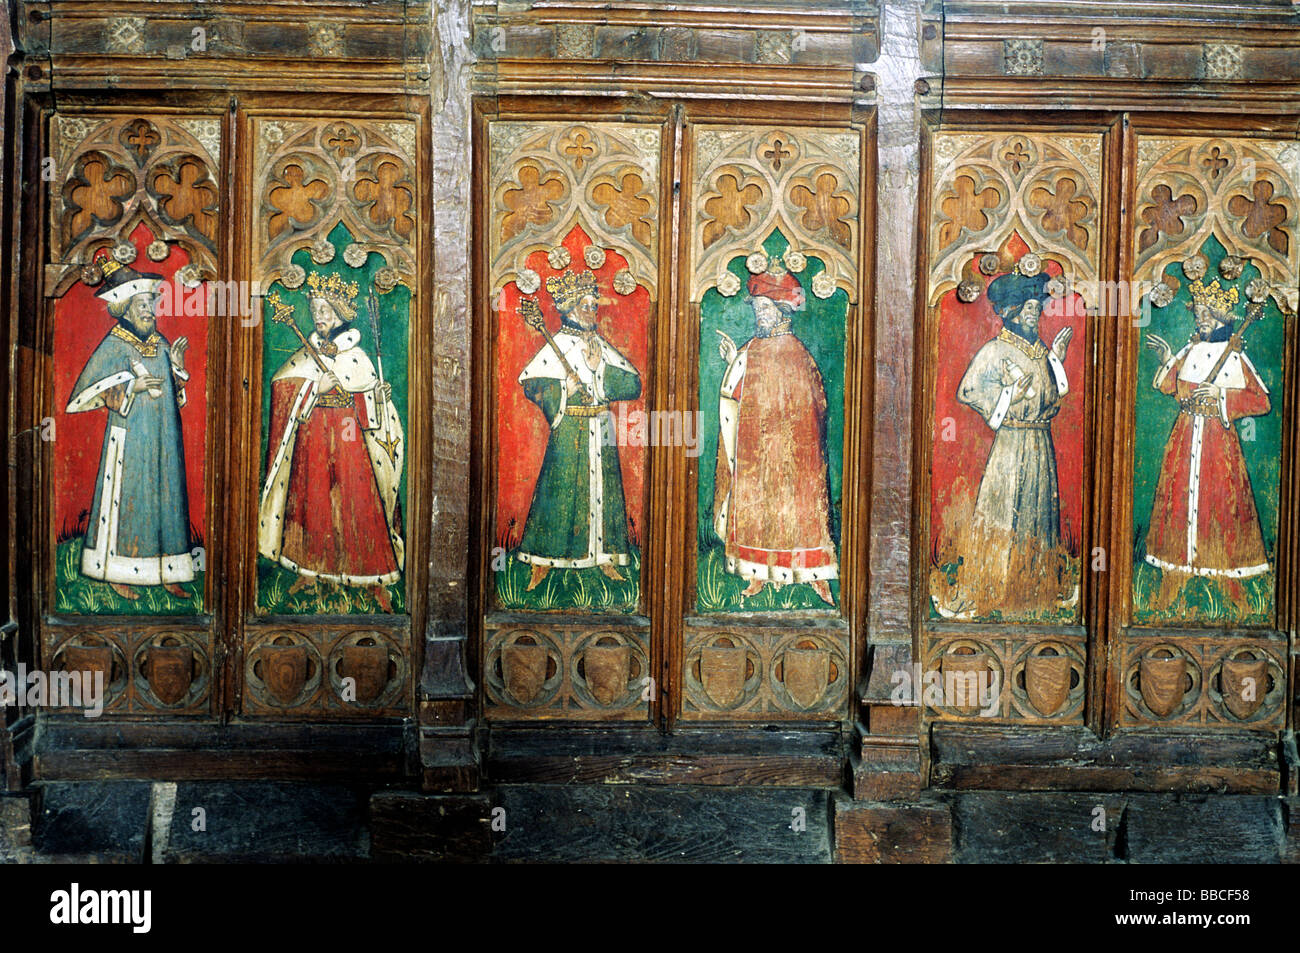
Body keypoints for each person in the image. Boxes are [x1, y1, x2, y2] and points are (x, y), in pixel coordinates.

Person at [257, 271, 404, 611]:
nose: (319, 317)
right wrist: (312, 389)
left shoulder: (357, 355)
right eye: (315, 310)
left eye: (324, 310)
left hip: (350, 438)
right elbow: (281, 387)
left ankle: (371, 577)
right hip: (314, 436)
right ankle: (309, 572)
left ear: (338, 313)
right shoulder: (306, 352)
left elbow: (368, 410)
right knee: (313, 499)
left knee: (357, 500)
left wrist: (377, 397)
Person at [66, 257, 195, 600]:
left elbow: (175, 394)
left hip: (164, 437)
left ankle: (167, 571)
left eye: (151, 305)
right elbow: (91, 392)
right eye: (142, 305)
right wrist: (131, 389)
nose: (149, 311)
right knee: (130, 497)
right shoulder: (115, 345)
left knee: (166, 495)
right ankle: (117, 572)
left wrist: (178, 369)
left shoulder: (161, 343)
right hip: (129, 437)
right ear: (125, 307)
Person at [713, 267, 837, 605]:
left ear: (782, 311)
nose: (759, 317)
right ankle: (758, 574)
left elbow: (816, 405)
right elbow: (735, 393)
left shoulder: (797, 354)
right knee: (758, 508)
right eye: (757, 310)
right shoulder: (752, 348)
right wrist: (732, 362)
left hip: (797, 454)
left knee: (801, 511)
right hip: (757, 450)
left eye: (764, 309)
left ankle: (815, 577)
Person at [515, 268, 641, 592]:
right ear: (570, 309)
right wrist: (563, 388)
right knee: (557, 495)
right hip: (569, 430)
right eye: (584, 306)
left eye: (593, 305)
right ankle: (542, 562)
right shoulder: (556, 344)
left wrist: (599, 369)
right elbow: (532, 384)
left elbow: (633, 384)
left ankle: (605, 560)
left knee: (605, 495)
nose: (590, 312)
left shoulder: (599, 345)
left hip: (600, 428)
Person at [1142, 277, 1270, 589]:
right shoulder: (1190, 349)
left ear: (1220, 320)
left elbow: (1261, 401)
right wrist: (1167, 360)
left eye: (1205, 315)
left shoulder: (1234, 355)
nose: (1200, 320)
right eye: (1197, 315)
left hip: (1218, 440)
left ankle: (1222, 572)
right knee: (1179, 495)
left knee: (1220, 498)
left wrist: (1221, 395)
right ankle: (1178, 568)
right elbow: (1168, 386)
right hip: (1185, 436)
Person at [956, 270, 1073, 556]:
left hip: (1040, 441)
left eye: (1037, 308)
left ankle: (1035, 579)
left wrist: (1056, 358)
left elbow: (1054, 393)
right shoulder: (995, 351)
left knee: (1038, 507)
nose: (1035, 314)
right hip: (1011, 440)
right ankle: (997, 580)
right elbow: (967, 391)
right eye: (1030, 308)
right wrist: (1009, 395)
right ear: (1014, 313)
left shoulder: (1041, 351)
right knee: (1006, 505)